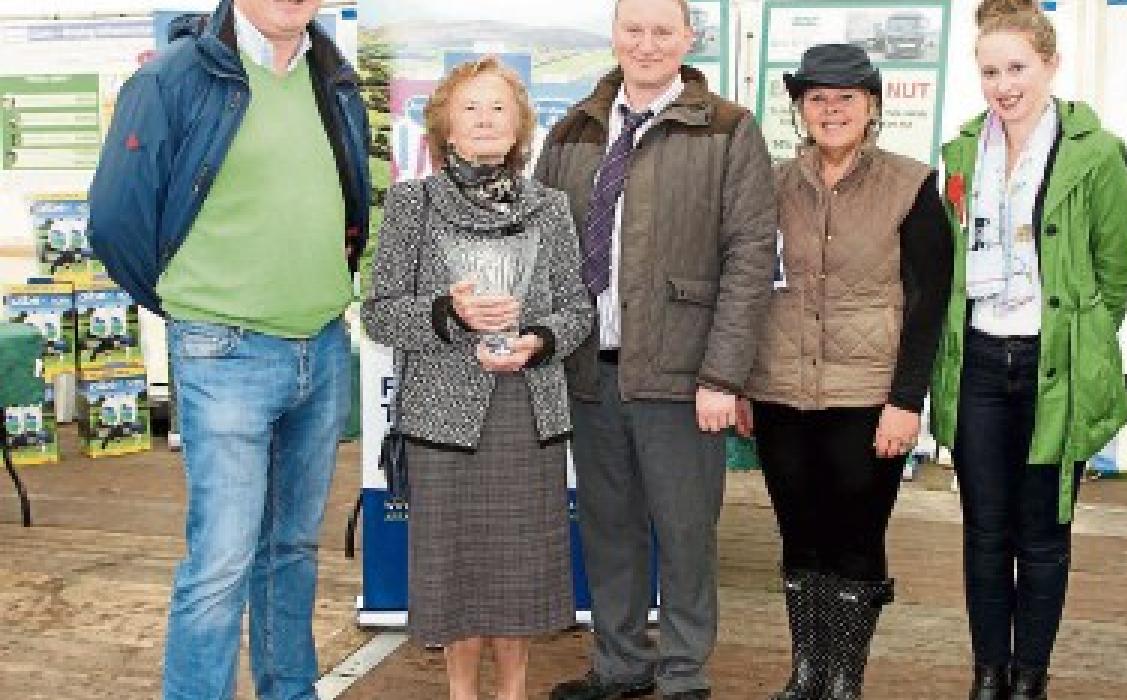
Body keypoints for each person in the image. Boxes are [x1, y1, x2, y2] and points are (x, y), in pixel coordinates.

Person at [86, 0, 368, 698]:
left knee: (293, 551)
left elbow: (349, 200)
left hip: (323, 346)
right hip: (223, 351)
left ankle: (289, 690)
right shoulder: (173, 79)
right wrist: (192, 305)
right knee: (220, 561)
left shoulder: (334, 78)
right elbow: (115, 220)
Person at [535, 0, 777, 697]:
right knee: (609, 529)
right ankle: (619, 664)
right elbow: (546, 249)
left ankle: (681, 671)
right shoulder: (574, 131)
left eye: (662, 31)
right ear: (614, 35)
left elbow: (750, 256)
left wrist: (723, 375)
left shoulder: (729, 130)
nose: (646, 44)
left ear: (688, 39)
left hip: (684, 376)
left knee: (685, 532)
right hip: (590, 371)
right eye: (633, 29)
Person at [361, 56, 593, 700]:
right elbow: (379, 315)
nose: (485, 119)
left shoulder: (551, 207)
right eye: (471, 108)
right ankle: (463, 694)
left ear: (520, 125)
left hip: (528, 410)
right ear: (445, 127)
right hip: (444, 422)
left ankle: (512, 692)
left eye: (498, 108)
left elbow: (576, 309)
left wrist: (537, 340)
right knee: (455, 574)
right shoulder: (413, 202)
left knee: (517, 569)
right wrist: (452, 315)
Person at [928, 2, 1127, 698]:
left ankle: (1030, 680)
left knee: (1043, 534)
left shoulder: (1097, 153)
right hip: (983, 364)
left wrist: (1083, 345)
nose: (1003, 84)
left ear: (1051, 64)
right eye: (990, 71)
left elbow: (1115, 274)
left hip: (1058, 370)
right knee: (985, 533)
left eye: (1017, 67)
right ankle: (989, 673)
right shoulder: (961, 152)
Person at [740, 44, 953, 700]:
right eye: (817, 99)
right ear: (801, 110)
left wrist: (906, 400)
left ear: (874, 107)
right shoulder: (769, 184)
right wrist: (743, 382)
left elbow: (928, 302)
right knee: (799, 534)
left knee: (856, 537)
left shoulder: (912, 185)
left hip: (868, 397)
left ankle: (843, 680)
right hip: (780, 392)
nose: (831, 110)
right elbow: (747, 284)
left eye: (846, 98)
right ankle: (805, 672)